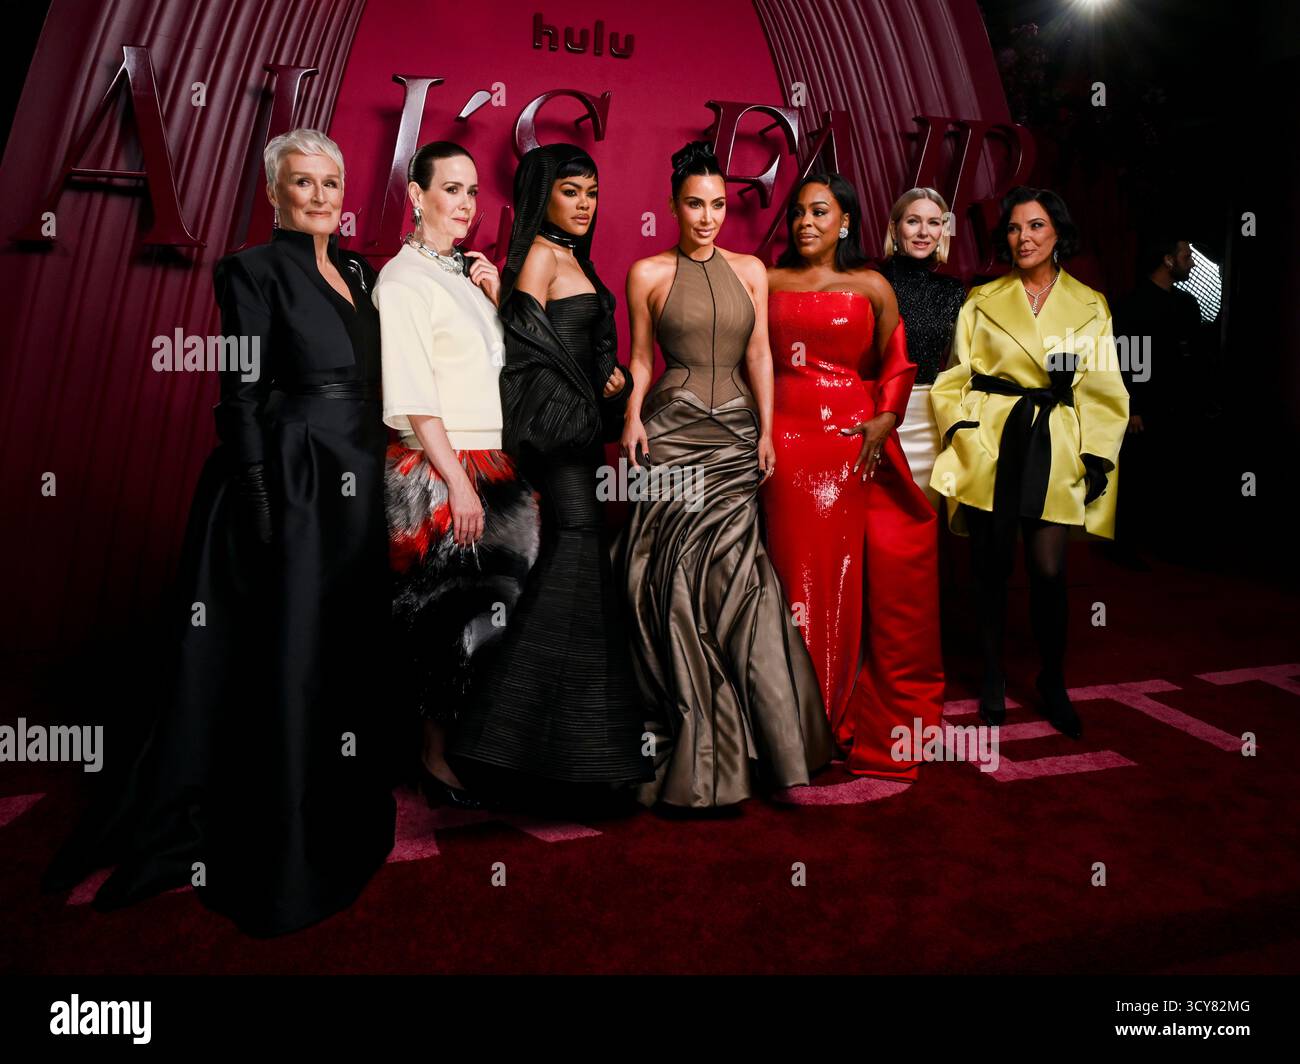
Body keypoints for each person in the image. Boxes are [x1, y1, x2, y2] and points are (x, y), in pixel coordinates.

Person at [42, 129, 396, 936]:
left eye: (331, 181)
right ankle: (279, 837)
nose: (319, 195)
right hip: (294, 481)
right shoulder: (249, 269)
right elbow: (238, 395)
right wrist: (262, 498)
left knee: (342, 655)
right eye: (301, 182)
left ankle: (335, 806)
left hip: (357, 481)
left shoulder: (360, 270)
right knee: (292, 655)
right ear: (274, 192)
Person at [615, 141, 832, 810]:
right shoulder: (647, 271)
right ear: (673, 206)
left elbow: (762, 353)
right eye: (694, 204)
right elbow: (644, 359)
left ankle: (768, 746)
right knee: (668, 580)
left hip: (737, 436)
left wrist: (766, 430)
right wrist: (630, 412)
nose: (707, 217)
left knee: (741, 584)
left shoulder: (751, 270)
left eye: (717, 205)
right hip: (671, 434)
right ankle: (697, 746)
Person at [450, 143, 652, 798]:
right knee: (576, 552)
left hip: (582, 435)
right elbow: (523, 353)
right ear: (544, 194)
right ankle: (506, 742)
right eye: (571, 191)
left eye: (592, 191)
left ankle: (565, 748)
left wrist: (612, 385)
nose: (586, 204)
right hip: (558, 439)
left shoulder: (571, 258)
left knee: (580, 564)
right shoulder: (540, 253)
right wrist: (498, 293)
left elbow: (570, 354)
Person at [929, 186, 1129, 738]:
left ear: (1058, 233)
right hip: (993, 437)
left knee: (1048, 568)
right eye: (1015, 229)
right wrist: (965, 430)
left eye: (1036, 226)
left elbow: (1103, 386)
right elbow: (953, 379)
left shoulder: (1090, 304)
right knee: (991, 564)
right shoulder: (983, 298)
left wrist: (1096, 456)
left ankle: (1052, 680)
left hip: (1057, 440)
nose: (1024, 238)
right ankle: (992, 675)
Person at [376, 141, 540, 810]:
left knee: (493, 616)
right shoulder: (402, 279)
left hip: (491, 461)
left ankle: (471, 747)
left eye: (473, 191)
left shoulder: (465, 275)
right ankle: (433, 757)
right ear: (415, 196)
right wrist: (458, 480)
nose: (466, 204)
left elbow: (491, 375)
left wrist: (497, 299)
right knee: (440, 619)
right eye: (451, 189)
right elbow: (415, 395)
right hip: (439, 469)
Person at [764, 174, 944, 781]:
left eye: (820, 211)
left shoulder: (871, 285)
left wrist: (885, 419)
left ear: (846, 222)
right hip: (784, 442)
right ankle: (789, 715)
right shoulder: (765, 281)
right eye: (798, 213)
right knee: (791, 576)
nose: (806, 222)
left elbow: (898, 362)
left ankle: (831, 711)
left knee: (841, 579)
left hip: (848, 444)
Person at [1109, 235, 1201, 564]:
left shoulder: (1186, 305)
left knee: (1172, 476)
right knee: (1137, 479)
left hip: (1179, 407)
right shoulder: (1132, 305)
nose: (1190, 261)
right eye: (1186, 255)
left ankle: (1168, 545)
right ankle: (1126, 548)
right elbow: (1125, 359)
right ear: (1167, 260)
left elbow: (1194, 356)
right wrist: (1133, 408)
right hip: (1143, 411)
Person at [878, 187, 967, 509]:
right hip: (877, 411)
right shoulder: (871, 281)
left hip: (929, 419)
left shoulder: (952, 291)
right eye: (913, 221)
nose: (923, 232)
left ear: (943, 230)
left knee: (922, 516)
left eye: (933, 223)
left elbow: (961, 363)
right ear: (894, 228)